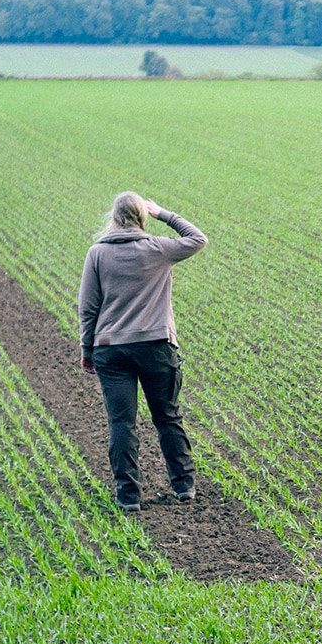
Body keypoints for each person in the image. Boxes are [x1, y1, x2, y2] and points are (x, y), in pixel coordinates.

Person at [78, 191, 207, 514]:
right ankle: (183, 485)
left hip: (111, 349)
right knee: (167, 416)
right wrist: (163, 212)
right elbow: (197, 238)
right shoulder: (159, 248)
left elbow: (88, 308)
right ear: (142, 217)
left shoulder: (97, 254)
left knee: (122, 422)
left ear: (115, 216)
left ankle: (128, 495)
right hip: (156, 348)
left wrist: (86, 348)